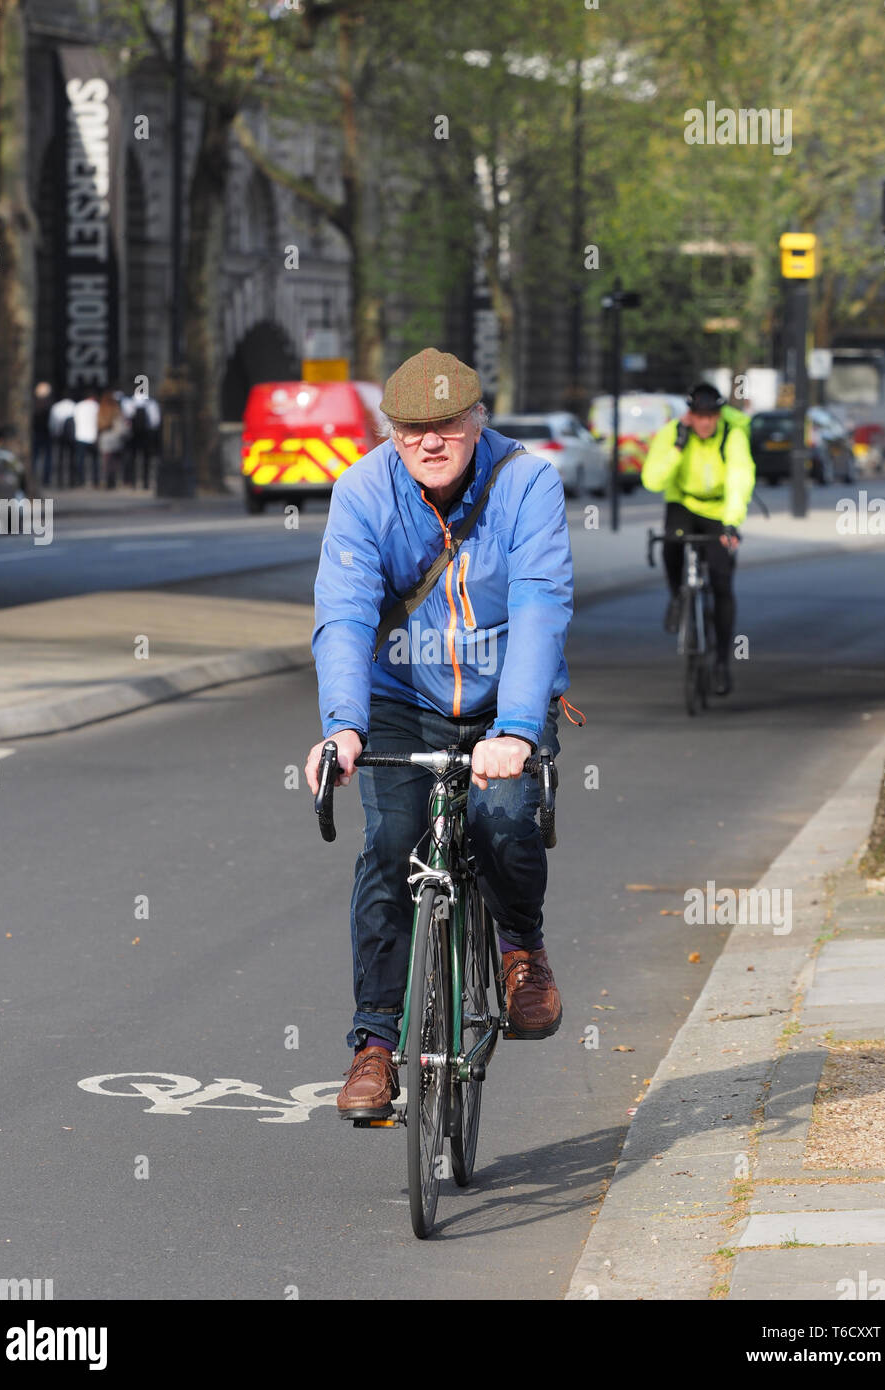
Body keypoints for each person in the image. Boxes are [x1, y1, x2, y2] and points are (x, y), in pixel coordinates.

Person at [304, 348, 579, 1119]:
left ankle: (521, 947)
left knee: (501, 820)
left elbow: (537, 606)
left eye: (446, 424)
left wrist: (519, 729)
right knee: (390, 845)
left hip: (502, 705)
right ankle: (373, 1046)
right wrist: (342, 727)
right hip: (400, 697)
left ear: (477, 419)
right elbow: (345, 612)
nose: (430, 441)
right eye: (411, 428)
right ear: (390, 433)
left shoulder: (525, 482)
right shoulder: (362, 490)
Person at [641, 382, 755, 696]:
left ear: (719, 415)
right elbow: (652, 481)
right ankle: (678, 597)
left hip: (719, 509)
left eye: (712, 416)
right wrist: (677, 446)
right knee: (671, 546)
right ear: (690, 415)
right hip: (683, 503)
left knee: (721, 582)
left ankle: (721, 664)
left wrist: (731, 524)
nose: (706, 423)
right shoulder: (673, 432)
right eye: (700, 416)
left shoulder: (732, 434)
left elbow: (740, 477)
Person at [97, 386, 128, 490]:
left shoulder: (101, 410)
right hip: (115, 437)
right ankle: (113, 480)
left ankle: (107, 480)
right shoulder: (116, 409)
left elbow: (98, 424)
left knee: (106, 460)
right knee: (115, 461)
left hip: (105, 437)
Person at [72, 388, 100, 487]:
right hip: (93, 436)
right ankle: (95, 480)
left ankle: (80, 480)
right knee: (95, 461)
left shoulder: (78, 406)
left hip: (80, 435)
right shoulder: (97, 406)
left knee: (80, 460)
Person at [32, 382, 53, 489]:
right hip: (44, 433)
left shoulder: (34, 405)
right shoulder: (48, 406)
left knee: (37, 458)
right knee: (45, 458)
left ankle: (36, 477)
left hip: (38, 433)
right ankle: (45, 479)